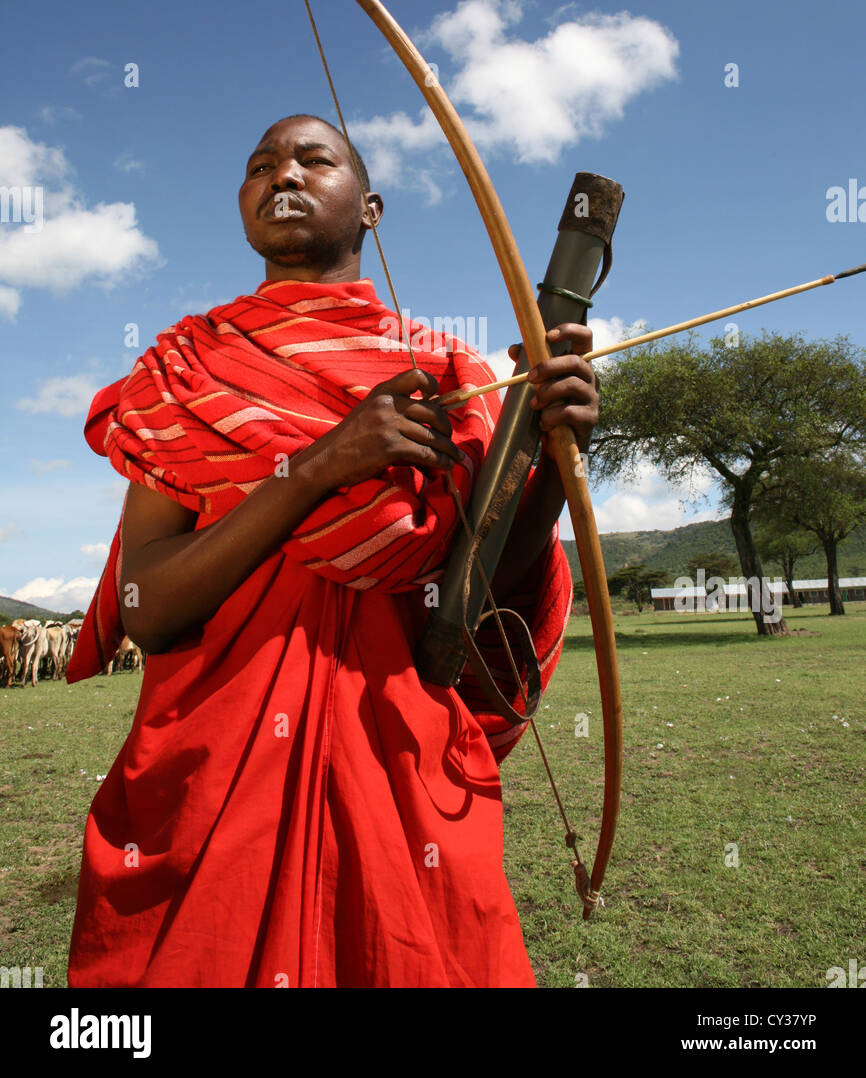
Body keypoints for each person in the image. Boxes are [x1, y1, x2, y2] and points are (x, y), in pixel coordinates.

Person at [66, 114, 599, 989]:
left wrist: (545, 459)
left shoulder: (451, 374)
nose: (284, 174)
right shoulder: (187, 371)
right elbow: (148, 610)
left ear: (372, 207)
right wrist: (319, 465)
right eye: (260, 165)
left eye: (316, 159)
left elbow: (482, 596)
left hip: (401, 764)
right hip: (208, 773)